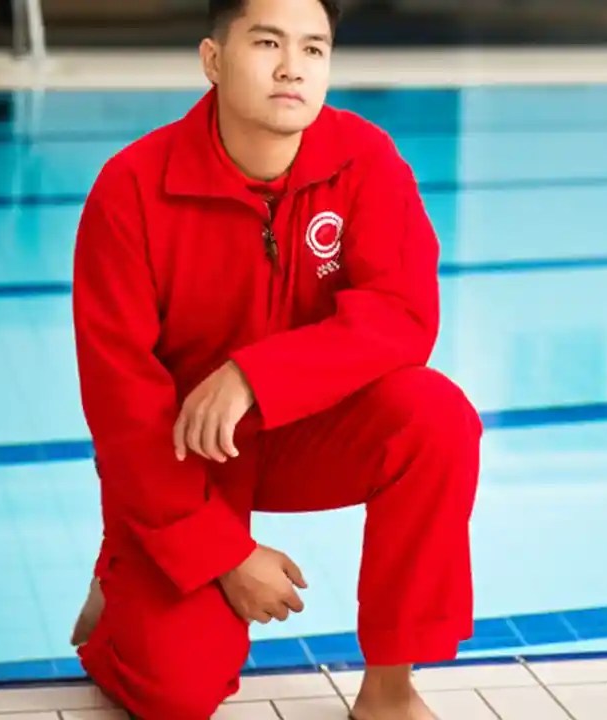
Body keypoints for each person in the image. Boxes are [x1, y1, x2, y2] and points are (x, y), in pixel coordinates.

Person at [67, 0, 482, 716]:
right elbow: (122, 407)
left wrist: (256, 376)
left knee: (436, 417)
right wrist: (222, 554)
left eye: (314, 49)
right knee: (175, 694)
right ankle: (117, 585)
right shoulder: (131, 190)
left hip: (303, 426)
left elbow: (404, 313)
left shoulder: (365, 161)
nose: (293, 67)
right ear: (213, 59)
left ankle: (389, 688)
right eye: (267, 43)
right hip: (182, 456)